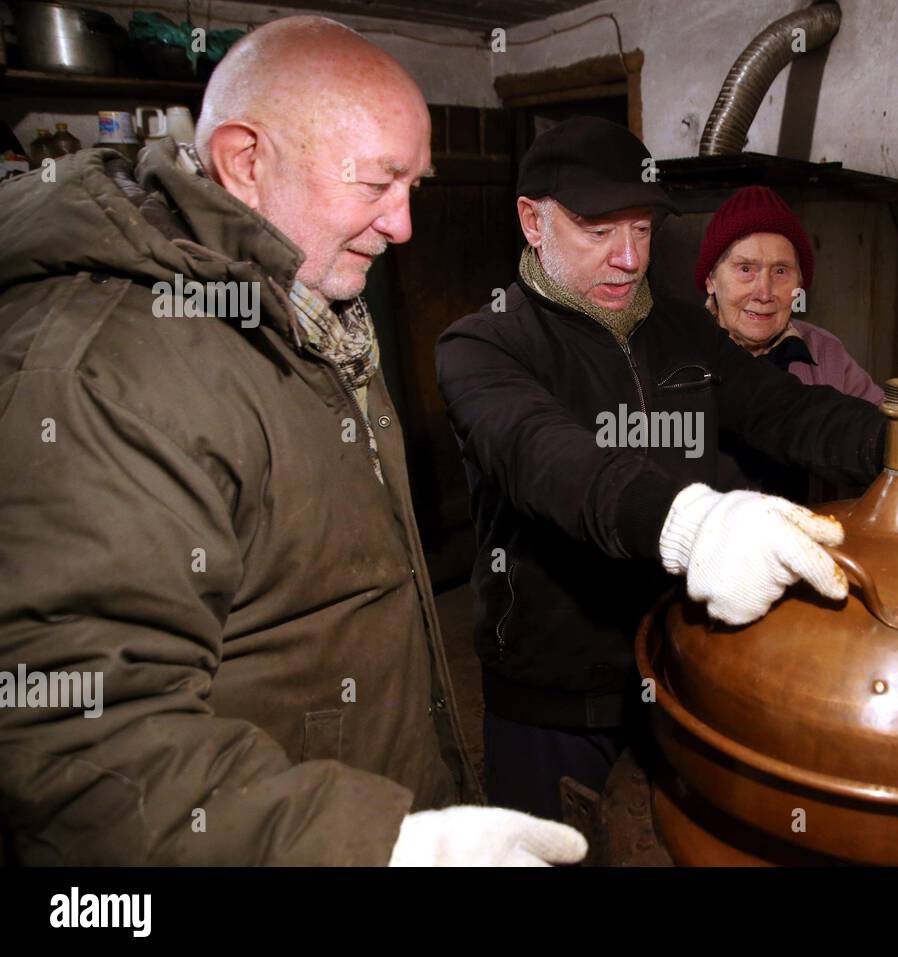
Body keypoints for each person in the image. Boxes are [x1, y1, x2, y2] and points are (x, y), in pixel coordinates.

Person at [0, 16, 585, 867]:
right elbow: (79, 743)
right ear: (245, 162)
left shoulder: (297, 291)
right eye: (379, 183)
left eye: (414, 185)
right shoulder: (103, 371)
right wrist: (371, 846)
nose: (404, 226)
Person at [435, 116, 898, 821]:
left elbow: (790, 410)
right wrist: (697, 524)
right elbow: (551, 460)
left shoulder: (685, 332)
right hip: (554, 700)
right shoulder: (483, 346)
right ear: (533, 220)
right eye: (598, 232)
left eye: (643, 229)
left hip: (685, 669)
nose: (628, 258)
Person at [697, 185, 898, 501]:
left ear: (800, 283)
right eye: (745, 269)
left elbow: (880, 438)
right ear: (710, 278)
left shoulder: (823, 351)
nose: (764, 292)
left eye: (781, 271)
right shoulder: (677, 350)